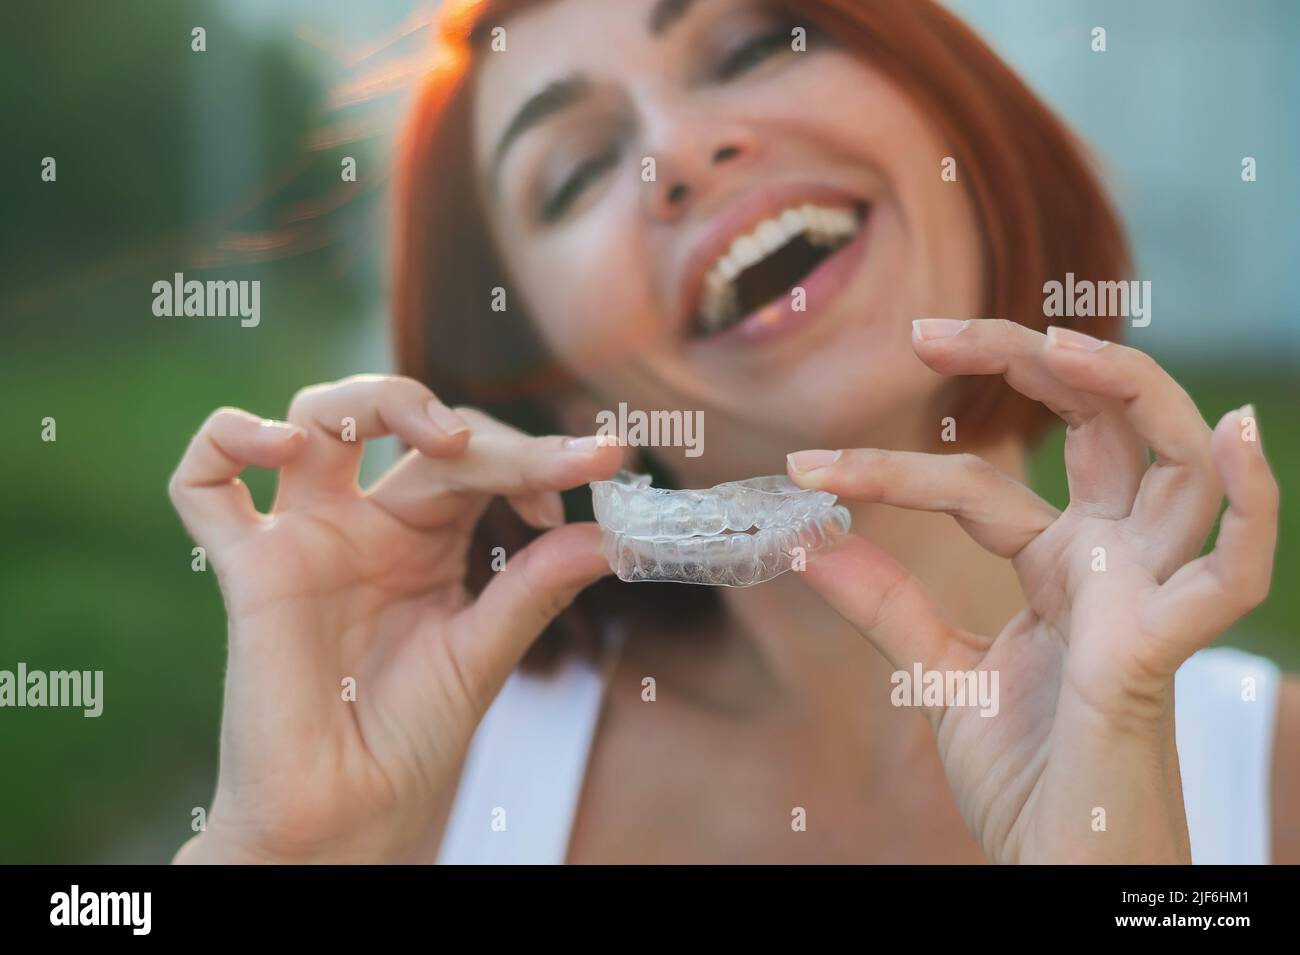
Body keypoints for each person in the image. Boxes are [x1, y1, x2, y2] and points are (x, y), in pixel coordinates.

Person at [170, 0, 1295, 864]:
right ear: (559, 392)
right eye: (575, 173)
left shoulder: (1273, 783)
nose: (679, 152)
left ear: (953, 122)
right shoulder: (422, 788)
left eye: (750, 48)